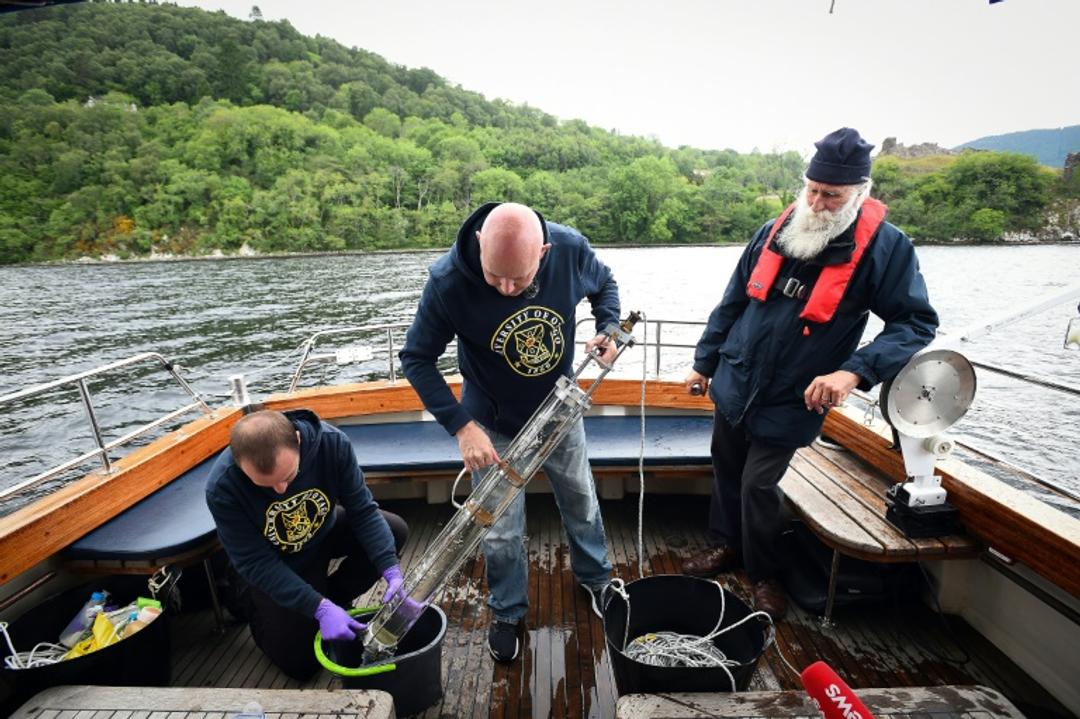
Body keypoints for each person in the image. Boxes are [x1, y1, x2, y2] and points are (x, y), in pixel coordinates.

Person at [681, 128, 939, 620]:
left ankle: (764, 574)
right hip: (737, 378)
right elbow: (733, 300)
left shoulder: (887, 248)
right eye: (813, 191)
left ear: (858, 194)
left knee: (759, 485)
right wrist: (704, 360)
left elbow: (916, 322)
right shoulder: (772, 230)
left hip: (798, 393)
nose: (818, 204)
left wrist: (855, 373)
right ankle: (724, 547)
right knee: (727, 467)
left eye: (832, 196)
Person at [399, 201, 620, 663]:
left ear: (543, 251)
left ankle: (598, 581)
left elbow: (605, 286)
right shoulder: (447, 281)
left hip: (559, 408)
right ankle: (507, 610)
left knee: (580, 498)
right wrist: (461, 427)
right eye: (494, 275)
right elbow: (416, 359)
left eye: (518, 280)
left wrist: (609, 328)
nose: (504, 288)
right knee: (500, 528)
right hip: (491, 424)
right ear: (480, 243)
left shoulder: (571, 249)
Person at [205, 408, 408, 679]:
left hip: (324, 530)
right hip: (275, 560)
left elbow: (363, 510)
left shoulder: (333, 444)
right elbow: (257, 563)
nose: (280, 490)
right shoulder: (222, 486)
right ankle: (251, 601)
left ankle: (333, 599)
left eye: (287, 477)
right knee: (301, 665)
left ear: (298, 441)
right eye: (265, 484)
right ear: (240, 464)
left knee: (394, 531)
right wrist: (318, 607)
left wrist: (391, 569)